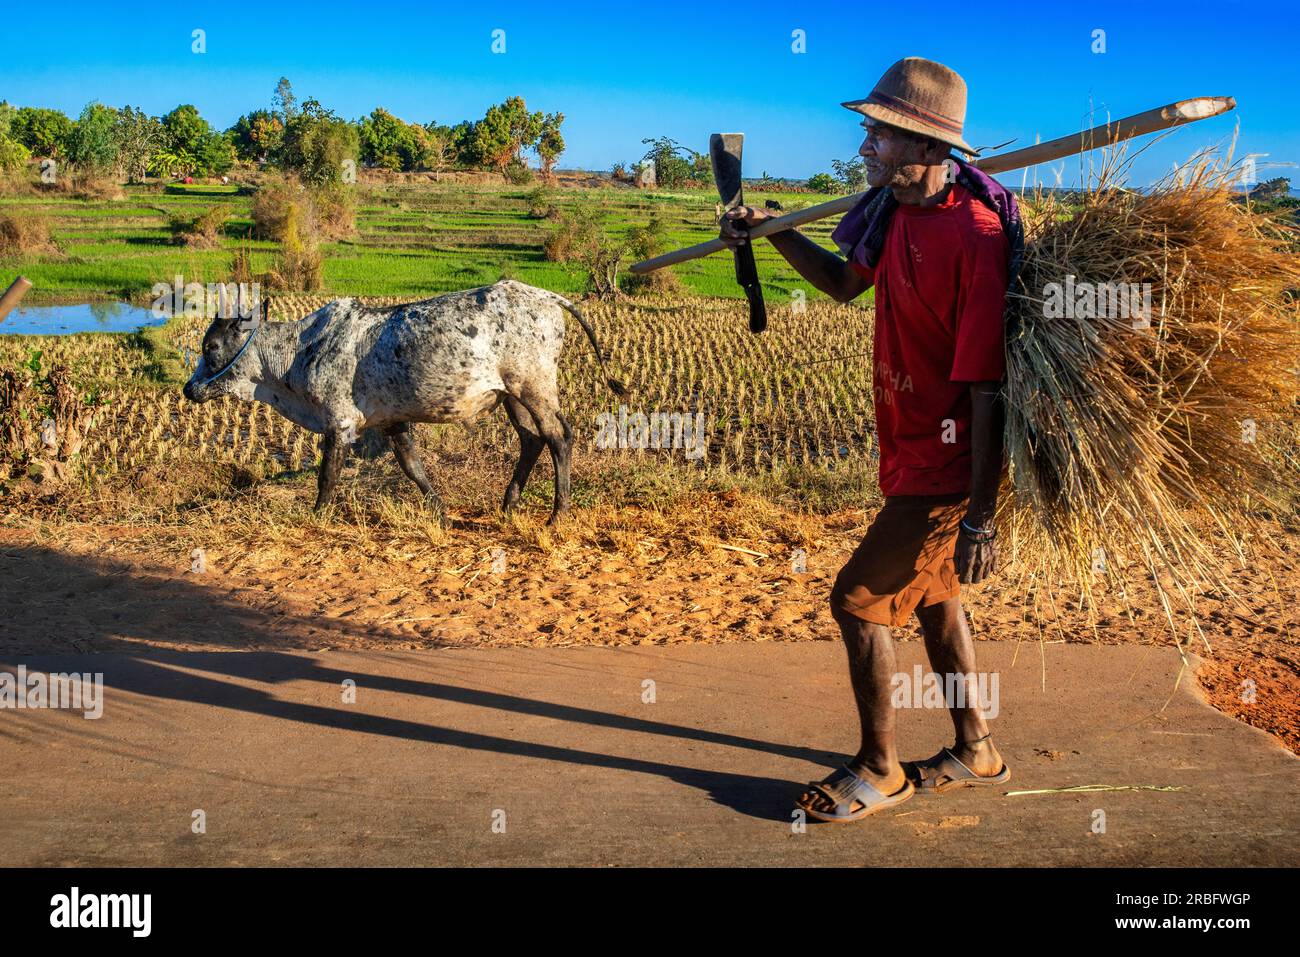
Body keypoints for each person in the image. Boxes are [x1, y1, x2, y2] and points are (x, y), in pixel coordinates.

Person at [719, 57, 1022, 823]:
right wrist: (773, 232)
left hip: (951, 465)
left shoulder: (976, 236)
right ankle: (974, 747)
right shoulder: (891, 212)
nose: (864, 145)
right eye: (867, 129)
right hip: (909, 447)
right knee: (936, 605)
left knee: (857, 601)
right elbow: (845, 283)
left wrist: (981, 511)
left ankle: (879, 768)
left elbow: (988, 388)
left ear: (924, 145)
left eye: (879, 133)